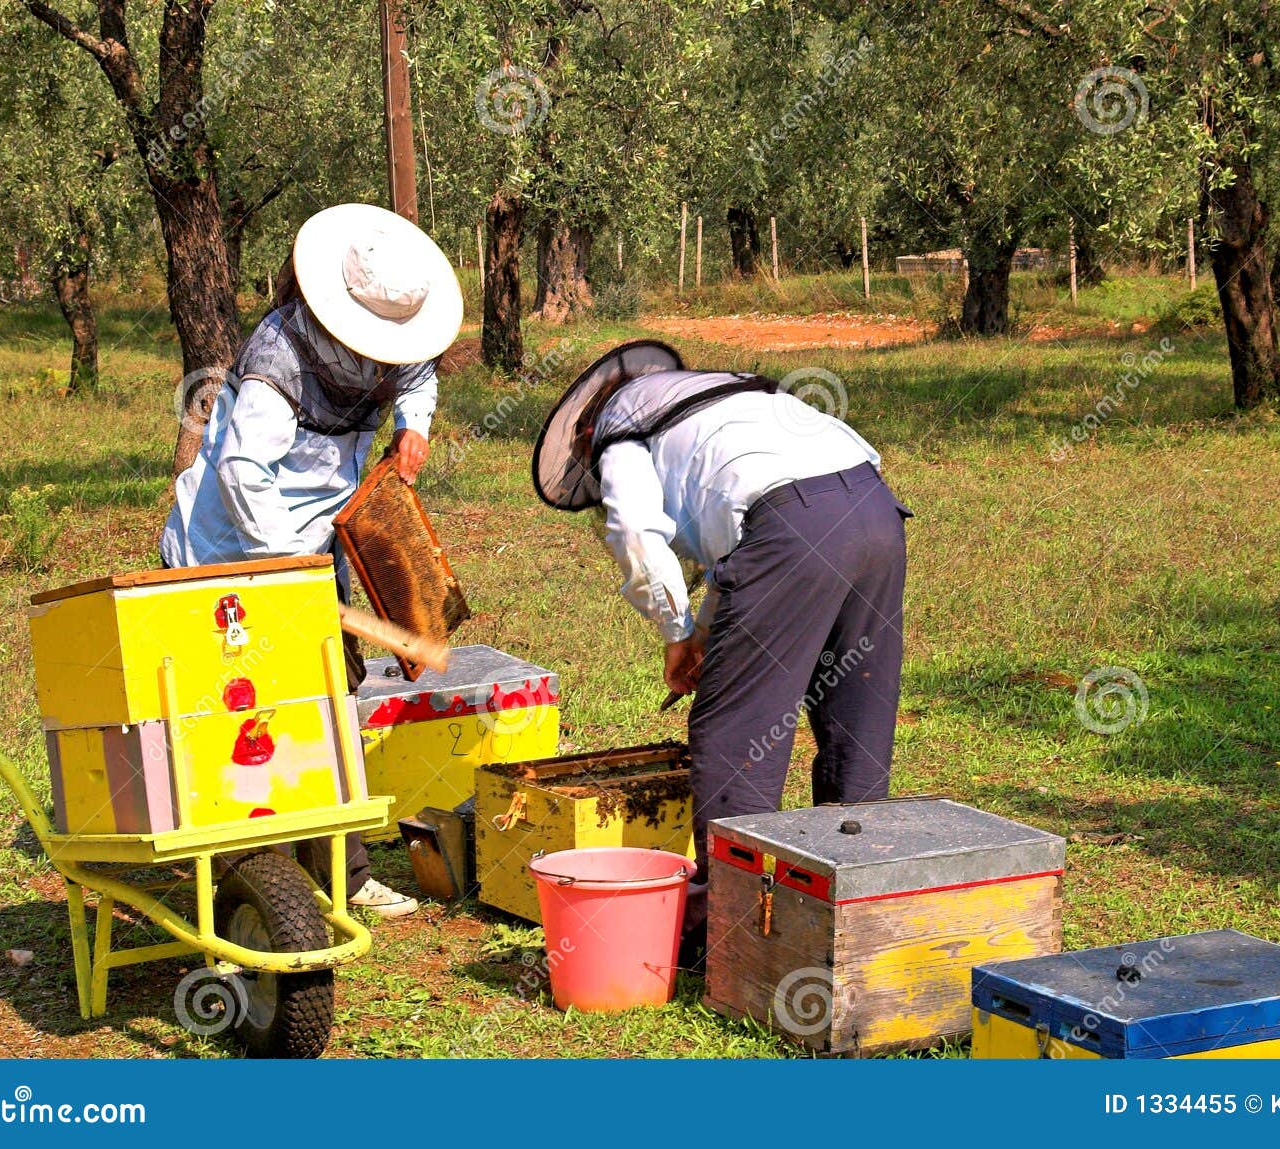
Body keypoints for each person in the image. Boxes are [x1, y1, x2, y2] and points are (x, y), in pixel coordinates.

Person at [531, 341, 910, 964]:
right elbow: (737, 554)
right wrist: (702, 638)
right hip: (874, 511)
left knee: (734, 731)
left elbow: (636, 534)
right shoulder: (729, 399)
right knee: (857, 715)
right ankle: (860, 910)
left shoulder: (622, 440)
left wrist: (677, 634)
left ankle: (729, 934)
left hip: (791, 528)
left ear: (594, 426)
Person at [161, 202, 463, 919]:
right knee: (233, 707)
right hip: (230, 556)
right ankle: (236, 878)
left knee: (331, 697)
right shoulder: (277, 360)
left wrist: (414, 428)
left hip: (315, 544)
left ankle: (344, 874)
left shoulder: (392, 345)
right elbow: (240, 472)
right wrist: (283, 577)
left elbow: (418, 376)